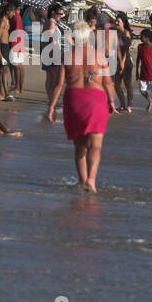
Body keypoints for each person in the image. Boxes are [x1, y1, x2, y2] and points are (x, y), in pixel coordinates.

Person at [47, 20, 117, 192]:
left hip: (74, 100)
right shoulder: (99, 56)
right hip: (96, 100)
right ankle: (91, 180)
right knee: (96, 146)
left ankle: (82, 180)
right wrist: (112, 102)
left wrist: (51, 107)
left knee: (80, 147)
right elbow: (108, 82)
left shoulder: (67, 57)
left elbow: (58, 84)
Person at [113, 12, 134, 113]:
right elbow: (116, 48)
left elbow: (126, 49)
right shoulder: (117, 33)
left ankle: (129, 106)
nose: (116, 22)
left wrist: (123, 62)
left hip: (126, 60)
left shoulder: (126, 33)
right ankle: (122, 104)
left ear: (123, 22)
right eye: (116, 20)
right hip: (118, 60)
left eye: (118, 21)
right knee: (116, 84)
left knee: (127, 83)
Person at [136, 29, 152, 115]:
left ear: (147, 38)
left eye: (141, 37)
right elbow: (138, 59)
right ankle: (150, 100)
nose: (140, 39)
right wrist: (136, 72)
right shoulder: (140, 47)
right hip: (143, 72)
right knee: (142, 90)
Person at [7, 0, 26, 95]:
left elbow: (17, 32)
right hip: (18, 43)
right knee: (18, 66)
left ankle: (18, 87)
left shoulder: (16, 17)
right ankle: (18, 87)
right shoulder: (16, 17)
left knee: (17, 66)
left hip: (16, 44)